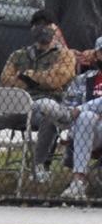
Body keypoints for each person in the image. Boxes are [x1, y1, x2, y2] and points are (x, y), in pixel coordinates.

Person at [0, 11, 76, 140]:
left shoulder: (65, 55)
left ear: (55, 28)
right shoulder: (19, 55)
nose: (42, 28)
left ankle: (42, 159)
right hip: (16, 105)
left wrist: (26, 75)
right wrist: (39, 79)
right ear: (32, 29)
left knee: (47, 115)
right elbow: (5, 82)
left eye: (46, 25)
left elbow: (56, 80)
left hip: (45, 107)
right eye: (37, 25)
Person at [28, 34, 102, 184]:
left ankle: (79, 181)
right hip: (87, 129)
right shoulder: (84, 80)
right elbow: (69, 109)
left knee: (85, 114)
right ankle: (78, 183)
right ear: (96, 55)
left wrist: (81, 109)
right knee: (86, 117)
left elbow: (76, 110)